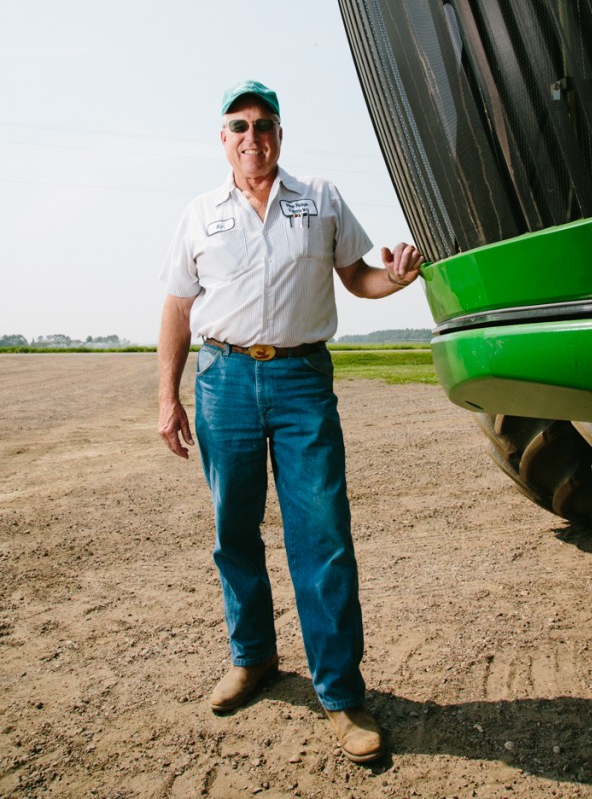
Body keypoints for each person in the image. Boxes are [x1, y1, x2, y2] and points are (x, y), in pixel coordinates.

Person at [158, 80, 424, 764]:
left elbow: (358, 277)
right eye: (239, 126)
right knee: (233, 528)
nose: (253, 136)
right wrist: (168, 396)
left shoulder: (321, 199)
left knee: (323, 537)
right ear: (223, 139)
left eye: (265, 124)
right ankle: (253, 660)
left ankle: (340, 694)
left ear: (280, 133)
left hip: (303, 380)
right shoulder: (199, 214)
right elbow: (179, 310)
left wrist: (394, 278)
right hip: (224, 381)